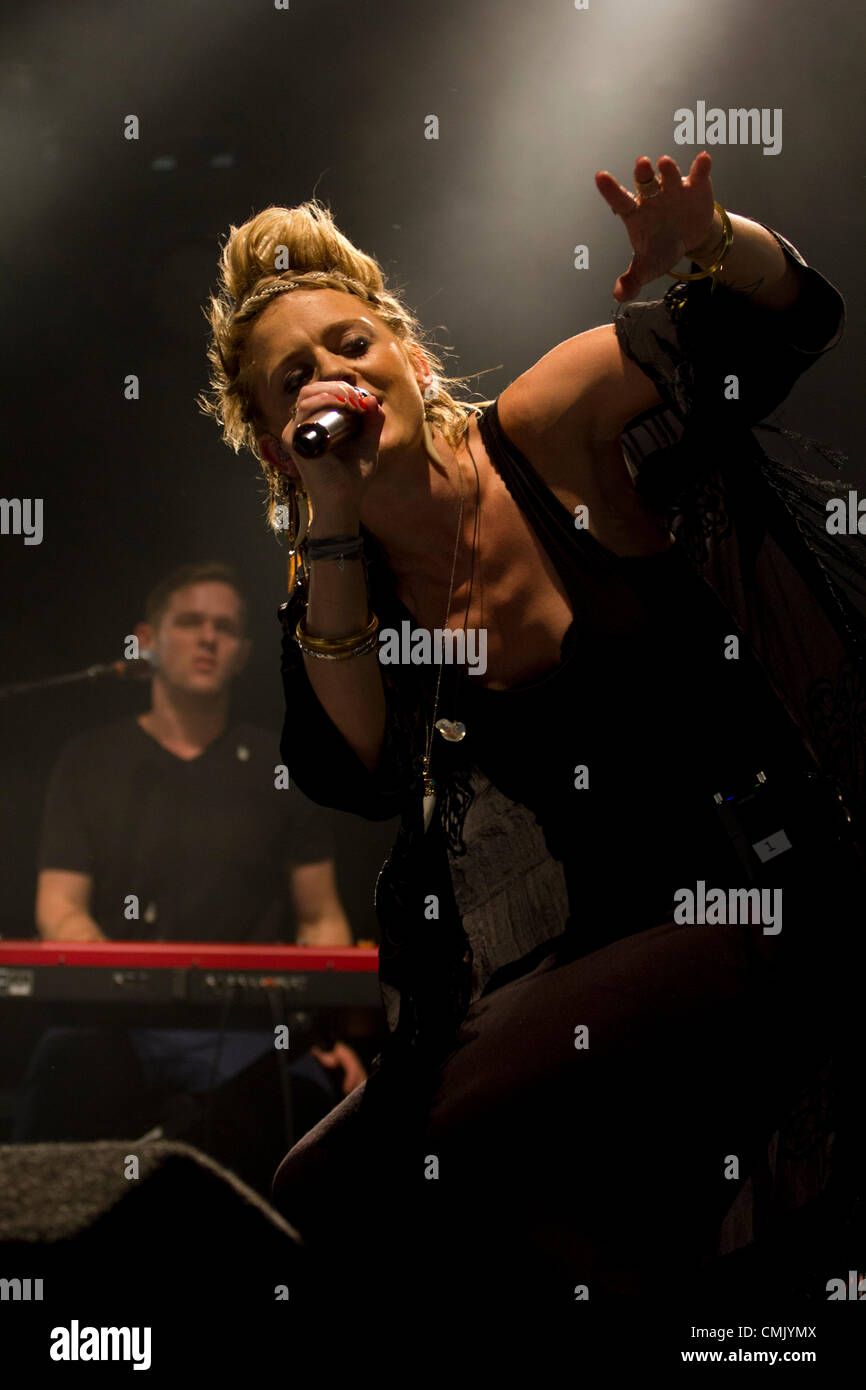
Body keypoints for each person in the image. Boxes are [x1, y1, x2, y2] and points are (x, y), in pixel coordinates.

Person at [200, 152, 866, 1308]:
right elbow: (353, 767)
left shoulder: (547, 425)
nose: (331, 376)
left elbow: (790, 320)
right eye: (292, 379)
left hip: (759, 889)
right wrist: (335, 516)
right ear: (273, 443)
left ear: (406, 354)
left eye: (349, 344)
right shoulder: (348, 586)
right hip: (602, 950)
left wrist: (714, 240)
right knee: (318, 1182)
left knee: (382, 1168)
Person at [15, 562, 368, 1156]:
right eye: (190, 622)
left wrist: (319, 1024)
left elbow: (319, 920)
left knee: (312, 1108)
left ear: (242, 652)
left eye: (225, 628)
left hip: (255, 1037)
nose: (208, 637)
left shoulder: (282, 767)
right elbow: (60, 909)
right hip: (115, 1032)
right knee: (66, 1072)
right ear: (146, 642)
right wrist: (129, 990)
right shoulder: (89, 761)